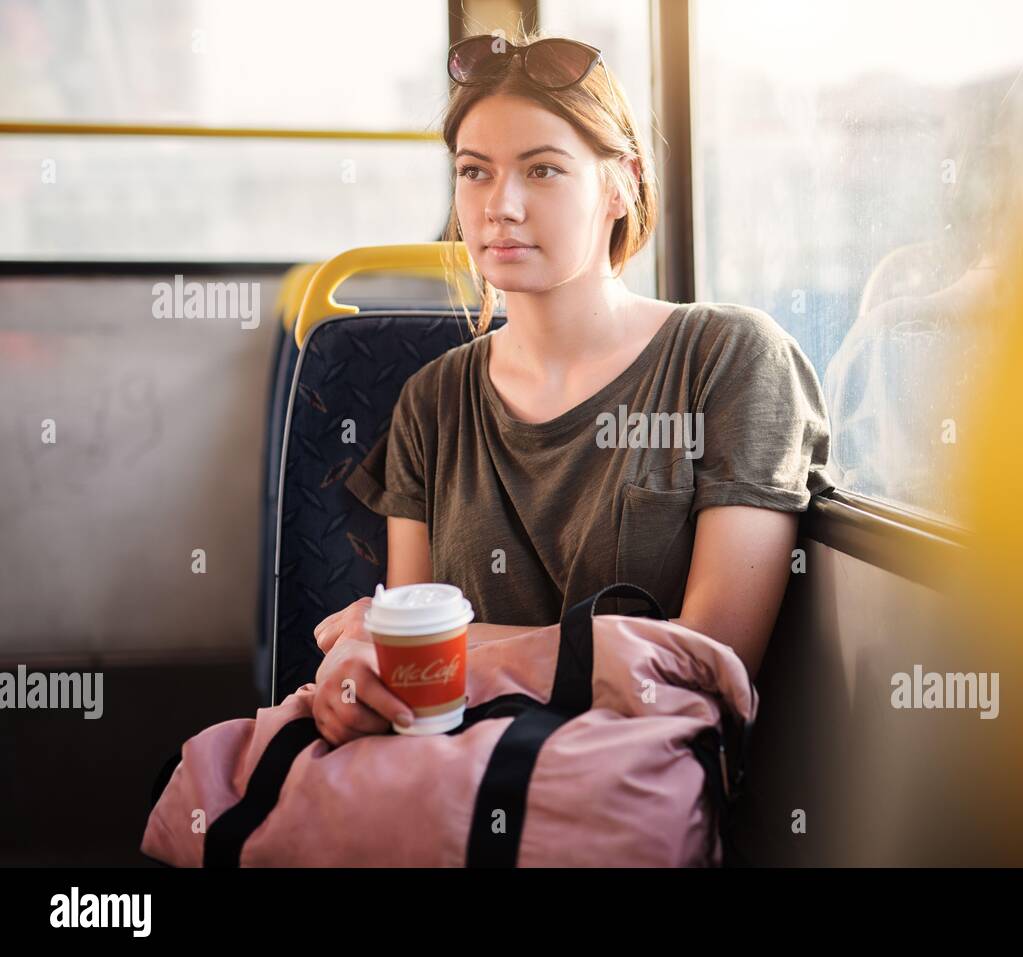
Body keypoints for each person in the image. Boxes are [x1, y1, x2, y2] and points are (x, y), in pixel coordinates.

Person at [309, 29, 835, 746]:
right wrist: (360, 686)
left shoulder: (730, 360)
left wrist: (458, 650)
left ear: (623, 184)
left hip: (636, 792)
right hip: (454, 789)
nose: (501, 206)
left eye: (544, 170)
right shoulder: (431, 402)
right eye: (475, 172)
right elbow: (408, 666)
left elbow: (709, 662)